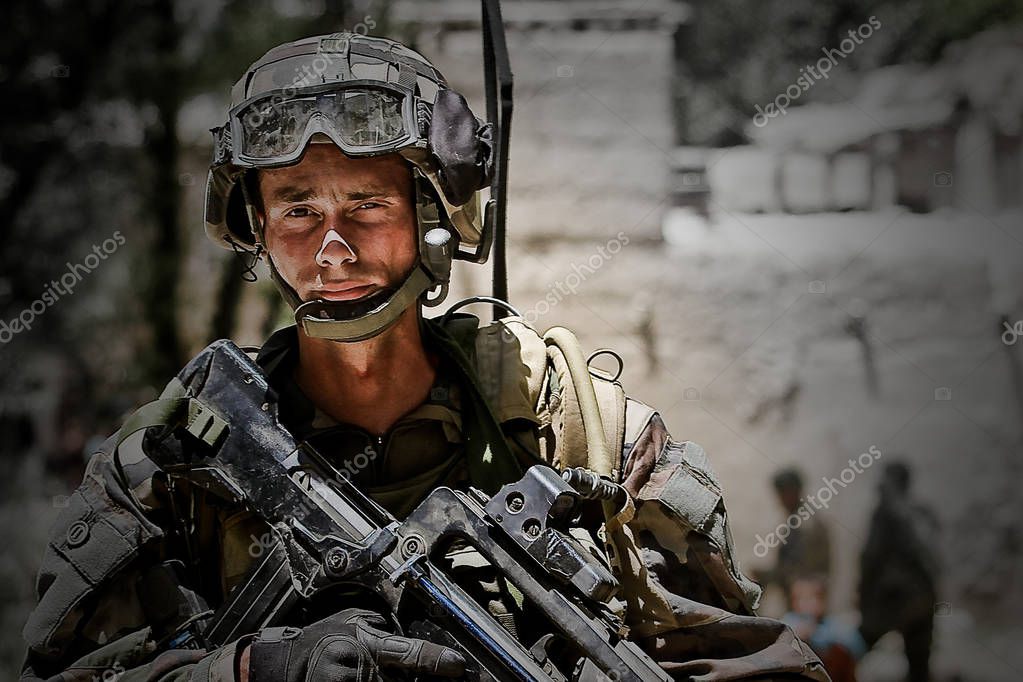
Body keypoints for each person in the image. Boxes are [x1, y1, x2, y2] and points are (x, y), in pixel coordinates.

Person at [20, 33, 828, 681]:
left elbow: (753, 660)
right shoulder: (172, 462)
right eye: (297, 208)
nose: (331, 248)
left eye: (366, 205)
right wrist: (243, 667)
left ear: (435, 216)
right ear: (257, 229)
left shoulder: (581, 433)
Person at [859, 461, 940, 682]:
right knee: (919, 666)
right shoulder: (922, 512)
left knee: (856, 648)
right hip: (923, 599)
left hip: (893, 600)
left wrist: (862, 599)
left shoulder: (886, 514)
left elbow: (871, 558)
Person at [757, 467, 832, 603]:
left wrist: (771, 576)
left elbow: (803, 569)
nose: (779, 500)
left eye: (781, 494)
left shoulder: (806, 524)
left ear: (792, 492)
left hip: (807, 598)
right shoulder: (797, 519)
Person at [782, 575, 867, 682]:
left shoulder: (833, 626)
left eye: (809, 598)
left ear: (822, 600)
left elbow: (857, 648)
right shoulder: (790, 620)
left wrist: (815, 636)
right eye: (798, 598)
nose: (803, 604)